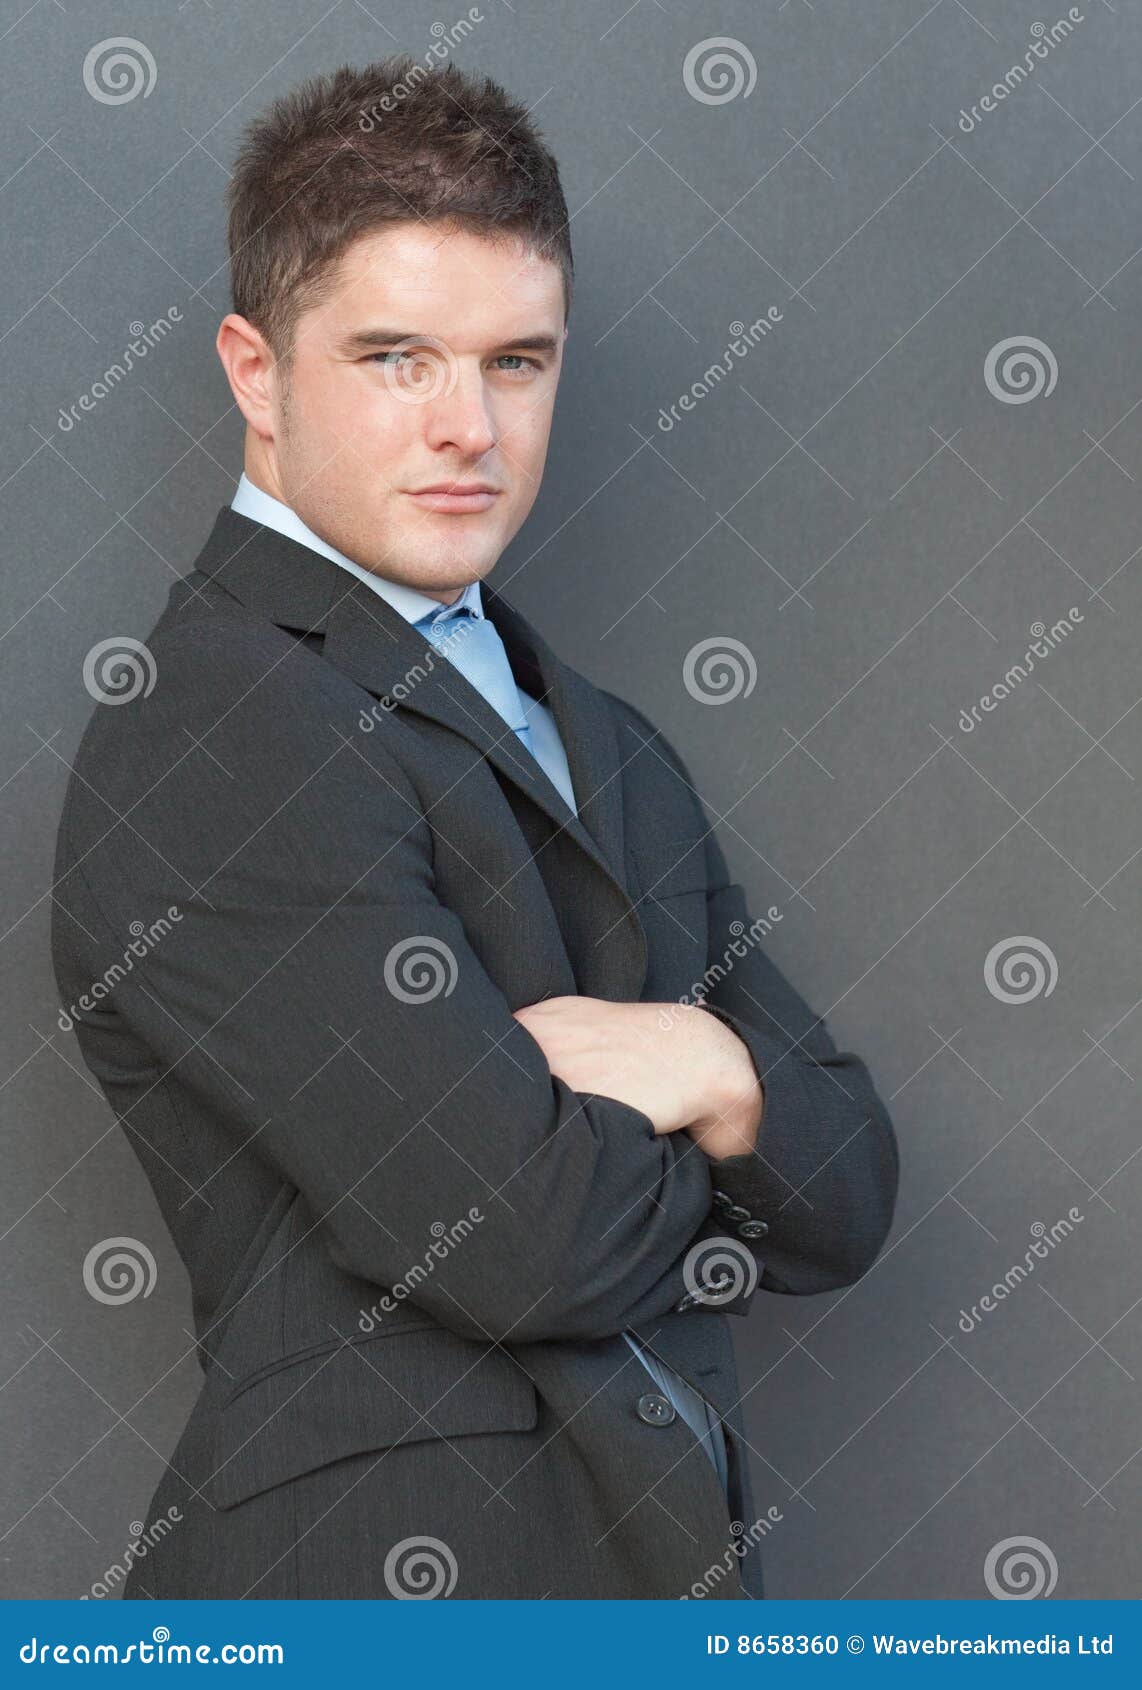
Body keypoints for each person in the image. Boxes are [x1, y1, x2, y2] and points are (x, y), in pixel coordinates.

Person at [51, 55, 899, 1601]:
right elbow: (519, 1236)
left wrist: (706, 1064)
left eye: (516, 361)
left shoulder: (600, 734)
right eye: (394, 357)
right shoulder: (221, 723)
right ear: (255, 369)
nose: (469, 425)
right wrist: (715, 1127)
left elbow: (845, 1193)